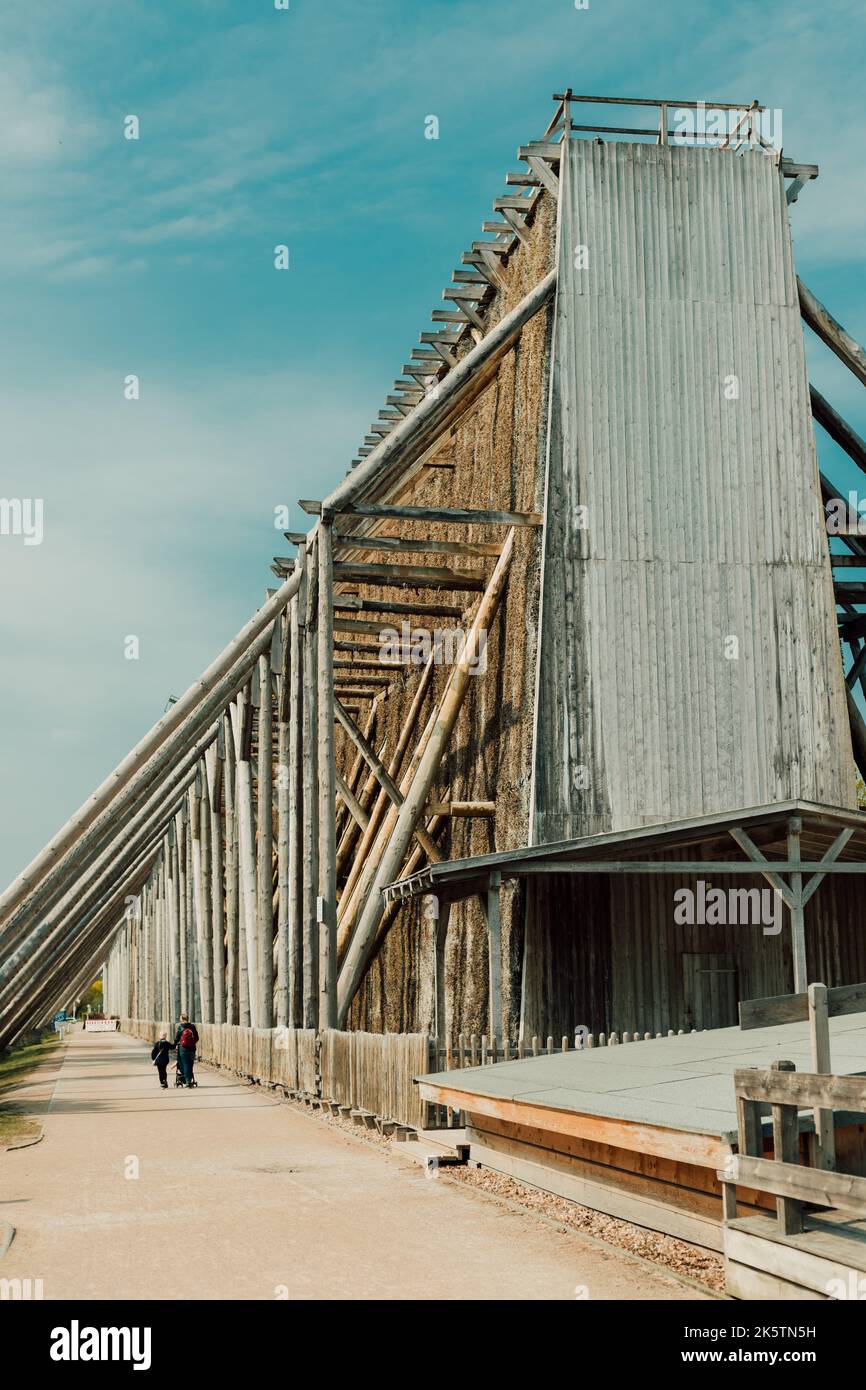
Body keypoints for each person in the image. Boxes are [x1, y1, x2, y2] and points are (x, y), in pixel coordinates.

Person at [174, 1014, 199, 1088]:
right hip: (192, 1048)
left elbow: (177, 1038)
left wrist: (176, 1044)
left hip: (183, 1048)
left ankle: (187, 1081)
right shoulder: (192, 1026)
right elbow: (197, 1037)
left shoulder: (180, 1027)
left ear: (182, 1019)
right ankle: (188, 1079)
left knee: (184, 1064)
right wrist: (192, 1043)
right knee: (190, 1064)